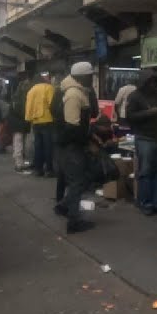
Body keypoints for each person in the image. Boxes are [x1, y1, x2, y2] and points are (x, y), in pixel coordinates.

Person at [52, 62, 99, 234]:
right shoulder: (73, 94)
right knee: (77, 182)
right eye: (90, 76)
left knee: (81, 179)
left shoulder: (79, 91)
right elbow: (73, 126)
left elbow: (92, 114)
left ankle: (64, 206)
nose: (92, 79)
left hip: (70, 144)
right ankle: (73, 222)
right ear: (81, 77)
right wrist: (87, 142)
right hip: (71, 146)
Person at [125, 69, 157, 216]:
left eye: (155, 81)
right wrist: (148, 113)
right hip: (144, 138)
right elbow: (129, 116)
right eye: (150, 81)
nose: (153, 84)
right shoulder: (135, 96)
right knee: (145, 172)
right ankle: (145, 203)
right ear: (144, 82)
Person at [25, 72, 56, 177]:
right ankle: (49, 170)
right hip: (47, 120)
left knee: (38, 146)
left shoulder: (32, 90)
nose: (49, 79)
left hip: (35, 122)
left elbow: (28, 106)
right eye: (48, 77)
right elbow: (52, 104)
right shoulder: (49, 88)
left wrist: (29, 119)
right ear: (44, 79)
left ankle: (38, 169)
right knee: (48, 146)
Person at [8, 78, 33, 172]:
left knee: (18, 143)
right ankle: (19, 163)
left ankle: (19, 162)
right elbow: (21, 112)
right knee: (19, 143)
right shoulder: (22, 97)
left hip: (17, 123)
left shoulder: (15, 96)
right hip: (20, 123)